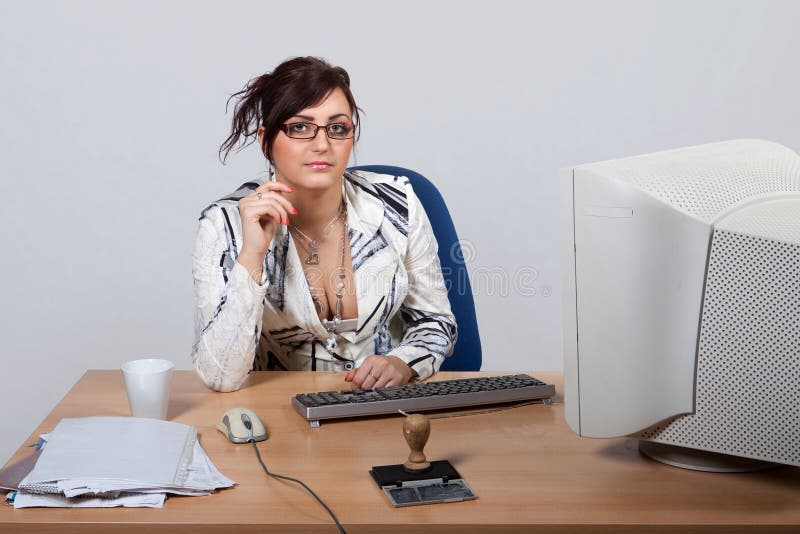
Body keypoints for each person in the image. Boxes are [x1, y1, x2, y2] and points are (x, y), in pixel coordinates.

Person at [191, 56, 457, 392]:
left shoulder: (397, 204)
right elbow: (220, 377)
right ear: (265, 140)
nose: (322, 144)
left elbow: (435, 322)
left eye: (337, 128)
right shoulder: (224, 224)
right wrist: (252, 257)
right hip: (277, 418)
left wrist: (402, 363)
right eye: (300, 127)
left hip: (381, 412)